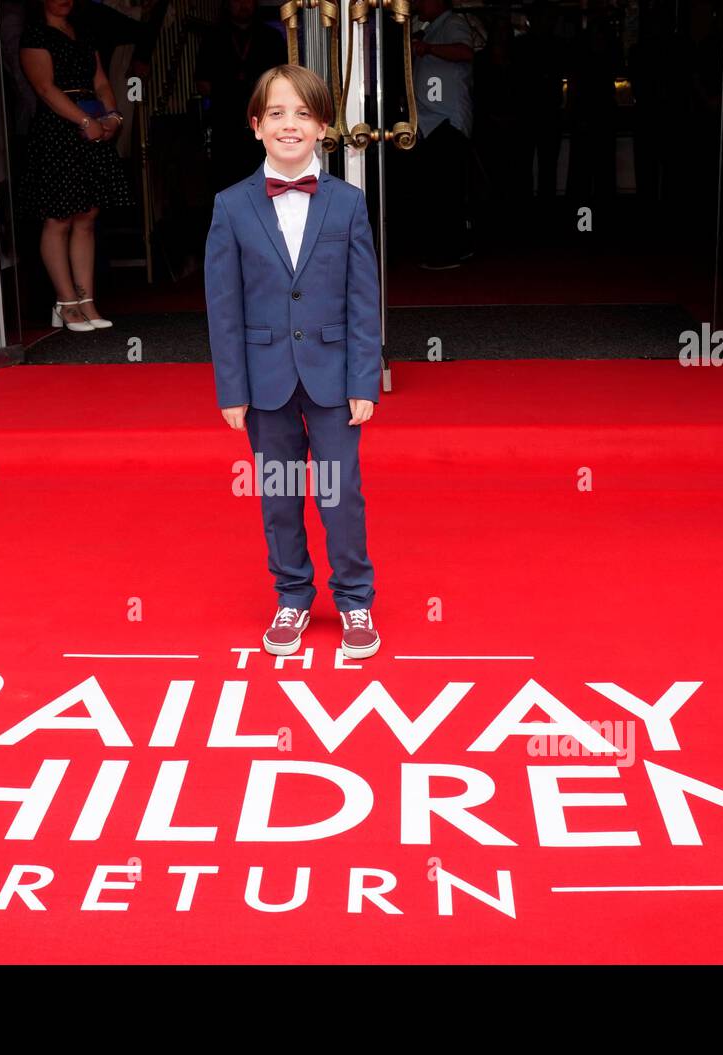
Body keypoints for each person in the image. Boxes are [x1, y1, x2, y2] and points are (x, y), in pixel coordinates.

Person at [204, 64, 382, 660]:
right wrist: (232, 388)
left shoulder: (348, 204)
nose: (289, 125)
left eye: (303, 114)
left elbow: (364, 299)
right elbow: (222, 306)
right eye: (276, 113)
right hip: (265, 381)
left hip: (334, 377)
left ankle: (355, 600)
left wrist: (365, 378)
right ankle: (292, 595)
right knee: (278, 495)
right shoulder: (230, 208)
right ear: (256, 127)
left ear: (323, 127)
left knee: (340, 493)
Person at [20, 0, 133, 331]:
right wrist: (84, 120)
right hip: (58, 129)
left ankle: (86, 301)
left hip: (91, 126)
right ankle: (65, 302)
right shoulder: (35, 35)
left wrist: (112, 115)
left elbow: (100, 81)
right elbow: (44, 87)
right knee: (59, 217)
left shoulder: (82, 33)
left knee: (88, 214)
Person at [194, 0, 288, 192]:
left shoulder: (271, 37)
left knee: (267, 182)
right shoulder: (213, 38)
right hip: (226, 125)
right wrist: (229, 91)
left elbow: (284, 81)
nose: (243, 4)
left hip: (265, 122)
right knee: (228, 185)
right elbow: (202, 84)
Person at [411, 0, 477, 269]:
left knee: (446, 190)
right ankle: (451, 247)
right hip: (433, 122)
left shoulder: (453, 23)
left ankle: (448, 251)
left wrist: (427, 49)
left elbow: (465, 52)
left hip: (446, 120)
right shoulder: (431, 28)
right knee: (440, 189)